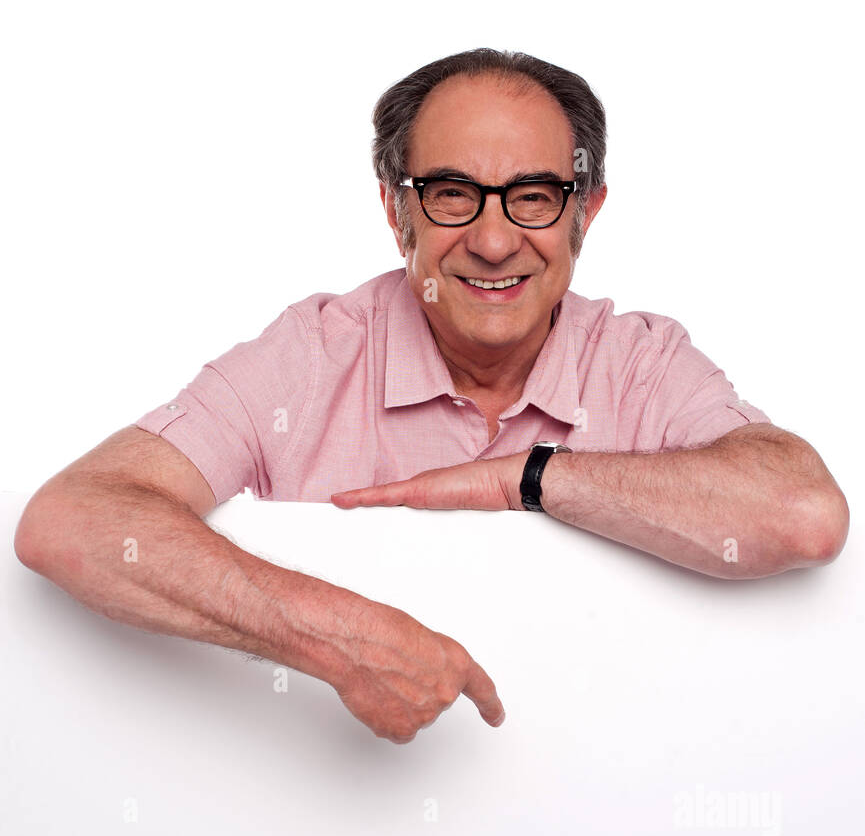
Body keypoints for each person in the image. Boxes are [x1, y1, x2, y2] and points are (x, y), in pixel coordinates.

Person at [13, 49, 849, 744]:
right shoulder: (311, 355)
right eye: (451, 194)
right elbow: (73, 520)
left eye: (533, 197)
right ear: (394, 209)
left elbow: (801, 514)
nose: (491, 241)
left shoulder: (638, 361)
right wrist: (336, 638)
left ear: (584, 213)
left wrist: (526, 476)